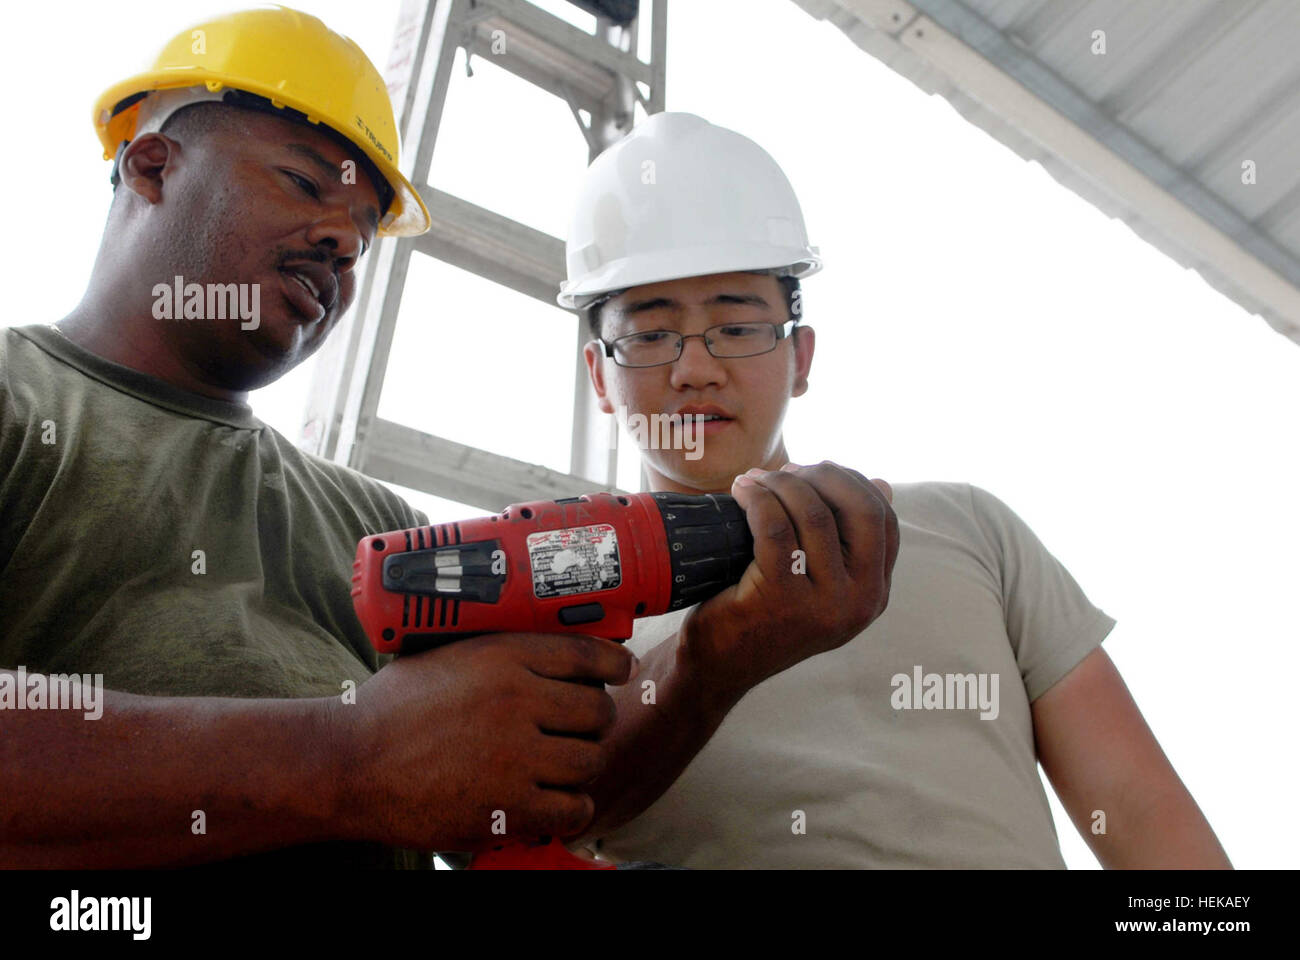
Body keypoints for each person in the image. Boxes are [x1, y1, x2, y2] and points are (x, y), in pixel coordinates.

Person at [0, 6, 639, 869]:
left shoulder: (386, 530)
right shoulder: (18, 397)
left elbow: (558, 786)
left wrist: (726, 653)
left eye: (362, 237)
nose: (341, 244)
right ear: (151, 166)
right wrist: (345, 757)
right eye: (304, 184)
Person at [564, 111, 1232, 869]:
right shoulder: (574, 635)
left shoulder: (968, 531)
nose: (696, 368)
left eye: (738, 325)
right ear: (600, 378)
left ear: (802, 356)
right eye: (651, 334)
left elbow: (1140, 809)